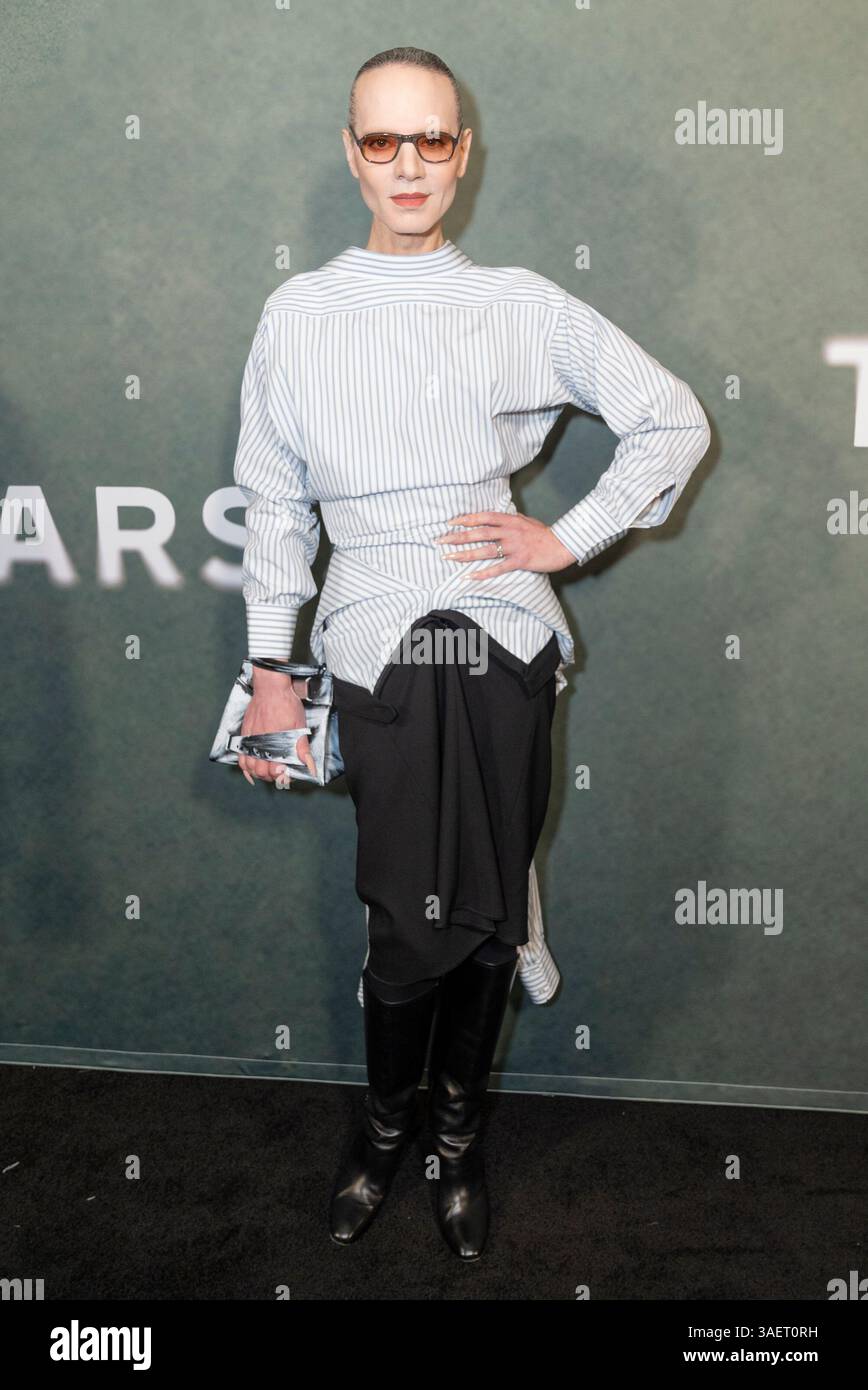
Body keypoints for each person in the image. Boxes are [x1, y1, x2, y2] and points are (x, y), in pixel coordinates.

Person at [231, 47, 711, 1261]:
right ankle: (384, 1132)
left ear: (461, 152)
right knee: (408, 920)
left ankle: (453, 1138)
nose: (407, 165)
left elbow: (672, 419)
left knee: (487, 915)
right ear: (351, 151)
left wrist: (569, 535)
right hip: (375, 635)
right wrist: (271, 667)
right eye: (382, 141)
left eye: (431, 141)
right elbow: (276, 504)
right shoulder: (298, 314)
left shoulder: (520, 303)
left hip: (500, 632)